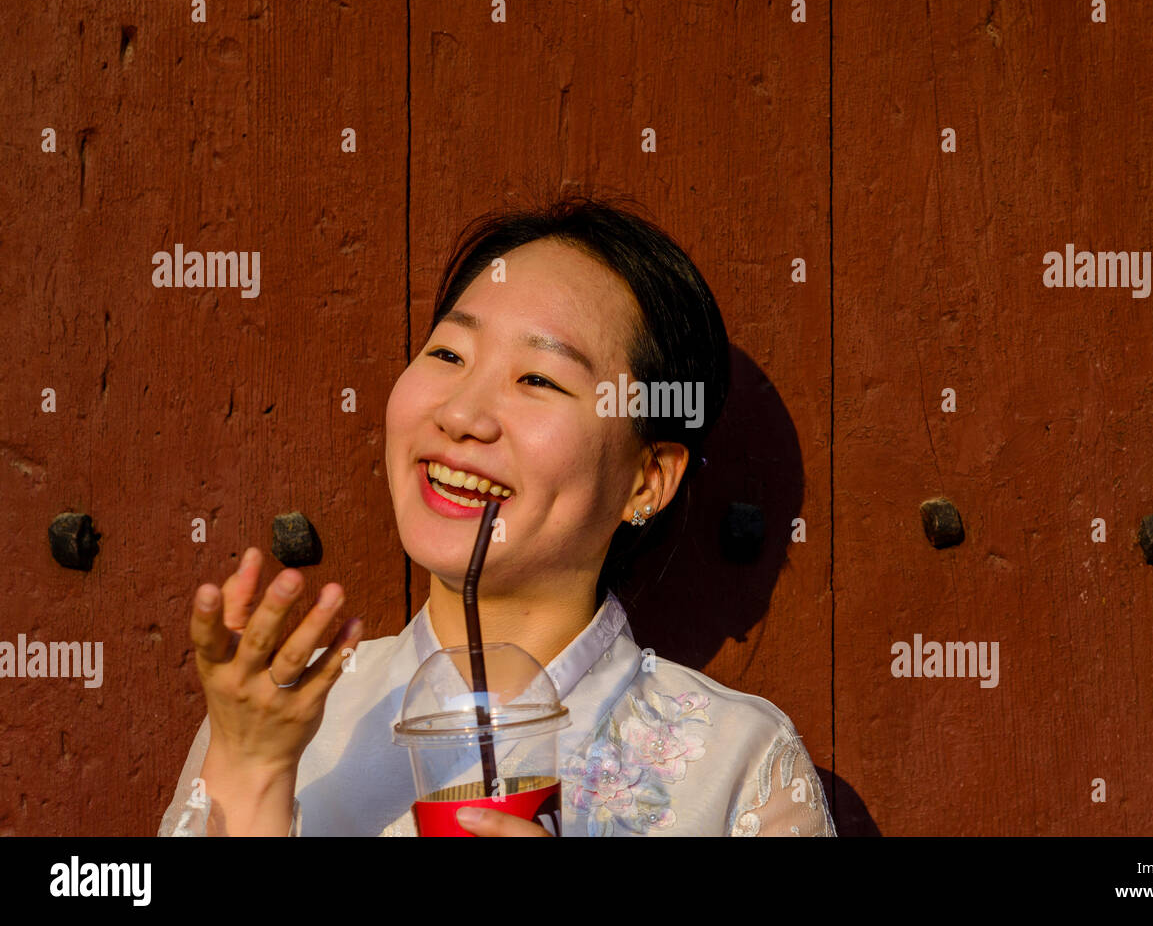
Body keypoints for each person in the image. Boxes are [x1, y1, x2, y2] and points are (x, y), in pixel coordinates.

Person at [158, 194, 835, 837]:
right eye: (449, 354)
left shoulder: (737, 766)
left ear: (645, 479)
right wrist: (251, 772)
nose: (459, 415)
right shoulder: (284, 712)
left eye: (538, 378)